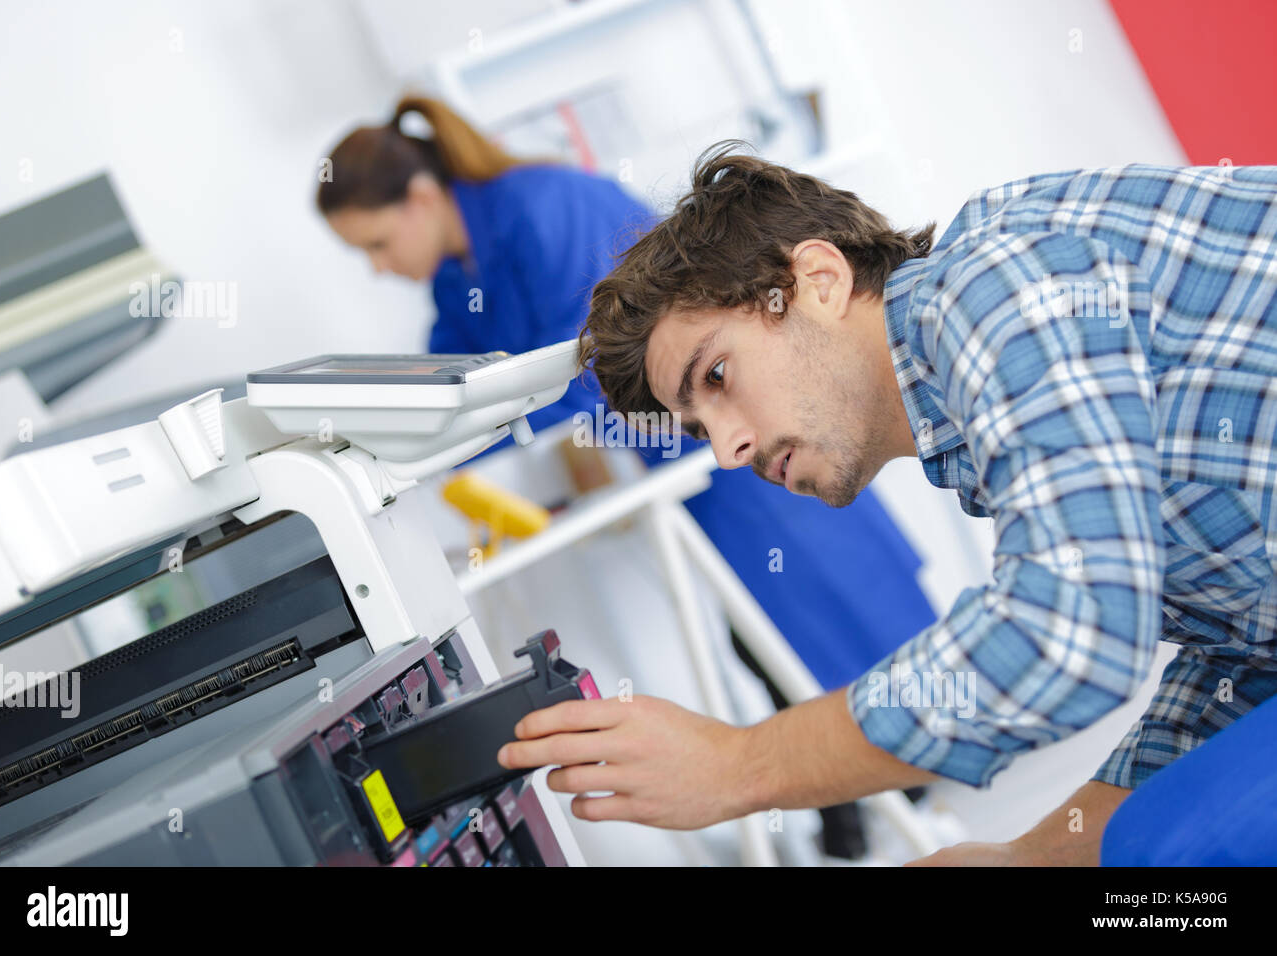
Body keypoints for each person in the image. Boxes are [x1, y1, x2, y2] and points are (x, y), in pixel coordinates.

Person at [496, 144, 1277, 865]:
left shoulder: (991, 288)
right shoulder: (981, 421)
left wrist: (741, 765)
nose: (728, 448)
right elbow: (1243, 659)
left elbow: (1071, 629)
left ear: (820, 282)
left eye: (720, 376)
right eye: (699, 428)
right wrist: (1032, 860)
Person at [317, 99, 937, 857]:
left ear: (418, 198)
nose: (380, 266)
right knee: (758, 628)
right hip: (685, 456)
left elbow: (590, 376)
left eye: (377, 244)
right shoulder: (458, 277)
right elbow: (455, 386)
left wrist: (463, 448)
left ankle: (907, 770)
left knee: (822, 600)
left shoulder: (542, 209)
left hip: (738, 427)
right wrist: (383, 447)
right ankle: (852, 797)